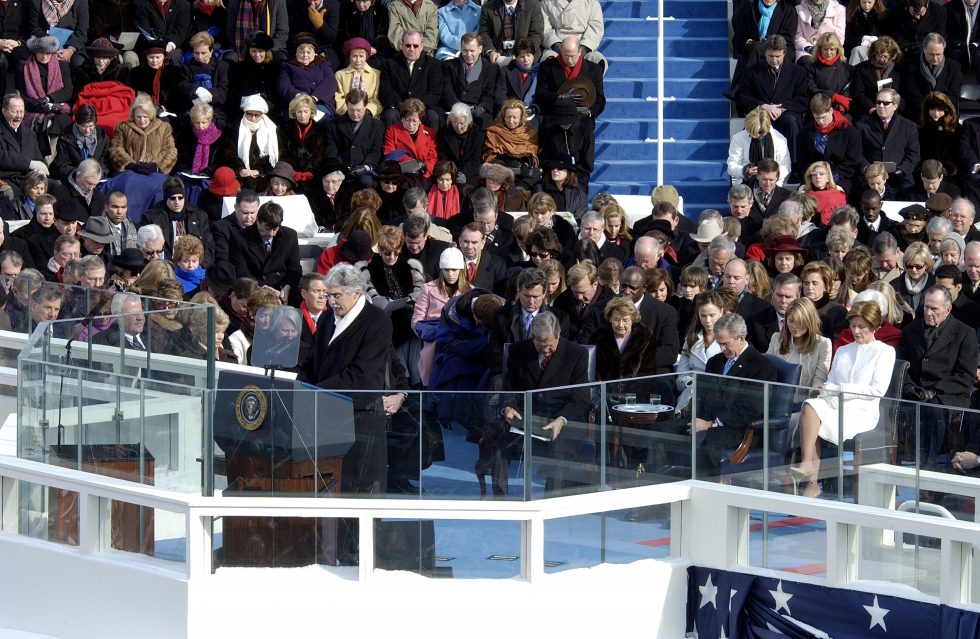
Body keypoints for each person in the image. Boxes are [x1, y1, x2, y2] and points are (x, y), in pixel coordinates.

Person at [300, 262, 392, 560]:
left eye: (336, 295)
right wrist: (300, 385)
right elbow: (314, 361)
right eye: (328, 295)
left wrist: (317, 390)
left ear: (356, 292)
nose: (330, 301)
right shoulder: (328, 319)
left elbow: (362, 376)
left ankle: (359, 557)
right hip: (326, 417)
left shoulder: (377, 322)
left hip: (361, 421)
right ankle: (328, 551)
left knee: (359, 490)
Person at [795, 300, 895, 496]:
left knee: (818, 414)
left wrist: (840, 389)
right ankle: (810, 475)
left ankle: (810, 476)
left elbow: (877, 390)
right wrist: (827, 390)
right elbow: (831, 381)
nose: (856, 331)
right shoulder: (843, 350)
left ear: (874, 326)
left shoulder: (885, 351)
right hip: (834, 403)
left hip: (862, 410)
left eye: (862, 327)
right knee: (810, 406)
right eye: (853, 326)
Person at [499, 310, 590, 494]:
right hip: (526, 416)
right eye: (540, 345)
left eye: (550, 345)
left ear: (558, 335)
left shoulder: (577, 354)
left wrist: (561, 419)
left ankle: (551, 497)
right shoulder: (518, 351)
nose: (546, 350)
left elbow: (581, 397)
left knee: (561, 445)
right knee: (496, 436)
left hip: (561, 417)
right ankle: (498, 495)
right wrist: (508, 407)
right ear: (532, 337)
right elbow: (509, 387)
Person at [899, 285, 979, 465]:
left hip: (949, 395)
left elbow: (965, 376)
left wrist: (934, 392)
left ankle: (933, 464)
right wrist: (909, 386)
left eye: (934, 308)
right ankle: (902, 461)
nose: (928, 312)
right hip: (915, 391)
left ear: (948, 309)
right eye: (926, 307)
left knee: (934, 407)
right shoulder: (911, 330)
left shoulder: (965, 334)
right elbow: (902, 365)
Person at [693, 312, 779, 476]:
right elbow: (703, 396)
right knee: (666, 431)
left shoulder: (763, 368)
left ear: (741, 338)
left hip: (737, 428)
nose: (722, 349)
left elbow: (752, 409)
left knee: (703, 442)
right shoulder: (714, 362)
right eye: (719, 344)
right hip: (704, 421)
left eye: (726, 343)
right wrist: (697, 419)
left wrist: (711, 423)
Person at [734, 36, 808, 165]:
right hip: (761, 113)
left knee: (791, 121)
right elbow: (743, 97)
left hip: (786, 113)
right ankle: (753, 165)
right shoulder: (752, 71)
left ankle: (796, 166)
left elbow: (802, 99)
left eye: (778, 56)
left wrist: (781, 108)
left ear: (784, 53)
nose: (774, 60)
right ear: (765, 53)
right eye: (770, 56)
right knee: (756, 122)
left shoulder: (798, 72)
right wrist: (763, 106)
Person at [412, 246, 470, 386]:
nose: (450, 274)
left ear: (461, 270)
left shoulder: (471, 291)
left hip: (458, 347)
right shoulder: (428, 288)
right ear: (441, 270)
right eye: (446, 270)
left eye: (454, 270)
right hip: (433, 346)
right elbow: (416, 320)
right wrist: (431, 332)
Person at [230, 201, 301, 303]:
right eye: (267, 229)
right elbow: (242, 272)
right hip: (255, 286)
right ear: (258, 221)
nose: (271, 234)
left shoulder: (290, 236)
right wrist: (264, 288)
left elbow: (295, 269)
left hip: (283, 286)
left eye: (275, 229)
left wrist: (287, 287)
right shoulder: (240, 238)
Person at [138, 177, 215, 267]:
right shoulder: (151, 218)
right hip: (165, 269)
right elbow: (146, 248)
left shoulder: (198, 216)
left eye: (180, 198)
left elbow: (209, 245)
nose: (177, 202)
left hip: (194, 268)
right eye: (172, 198)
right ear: (166, 199)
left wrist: (199, 266)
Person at [766, 297, 832, 401]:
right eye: (791, 321)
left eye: (800, 322)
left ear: (810, 321)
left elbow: (819, 380)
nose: (795, 326)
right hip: (776, 401)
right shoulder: (776, 338)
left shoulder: (823, 344)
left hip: (805, 404)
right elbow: (767, 371)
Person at [855, 88, 920, 192]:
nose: (881, 106)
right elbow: (856, 153)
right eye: (878, 102)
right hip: (871, 176)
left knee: (908, 191)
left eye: (885, 103)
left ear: (895, 106)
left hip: (899, 176)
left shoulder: (909, 126)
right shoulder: (862, 125)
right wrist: (867, 169)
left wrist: (901, 171)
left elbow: (913, 155)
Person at [379, 30, 443, 129]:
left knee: (432, 116)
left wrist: (418, 107)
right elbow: (386, 90)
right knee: (390, 115)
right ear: (402, 45)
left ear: (422, 46)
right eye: (408, 45)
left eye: (415, 46)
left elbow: (435, 92)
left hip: (423, 108)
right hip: (398, 108)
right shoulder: (390, 64)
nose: (411, 49)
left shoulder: (434, 65)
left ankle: (431, 145)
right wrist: (402, 106)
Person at [324, 89, 384, 187]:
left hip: (364, 168)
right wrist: (338, 169)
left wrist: (366, 166)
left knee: (366, 182)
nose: (355, 114)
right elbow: (331, 151)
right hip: (340, 168)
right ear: (346, 106)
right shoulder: (333, 125)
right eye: (351, 110)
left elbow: (375, 151)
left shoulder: (377, 125)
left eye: (359, 110)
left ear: (365, 106)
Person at [108, 92, 178, 175]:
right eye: (138, 117)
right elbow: (115, 149)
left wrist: (156, 166)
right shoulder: (123, 128)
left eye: (145, 117)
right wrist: (129, 164)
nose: (142, 120)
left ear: (151, 115)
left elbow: (170, 151)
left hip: (156, 174)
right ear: (133, 114)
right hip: (129, 173)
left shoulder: (163, 127)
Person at [222, 94, 279, 192]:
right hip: (239, 175)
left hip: (263, 175)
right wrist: (240, 168)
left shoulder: (272, 129)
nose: (253, 118)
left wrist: (258, 170)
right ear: (245, 112)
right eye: (250, 114)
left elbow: (274, 155)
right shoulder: (234, 128)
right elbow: (228, 152)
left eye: (257, 115)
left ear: (262, 114)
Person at [440, 32, 497, 130]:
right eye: (465, 50)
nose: (468, 54)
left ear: (480, 49)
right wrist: (459, 109)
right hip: (454, 108)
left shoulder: (490, 69)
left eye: (472, 51)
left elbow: (489, 94)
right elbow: (447, 91)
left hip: (478, 111)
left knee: (486, 122)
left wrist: (481, 108)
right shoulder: (448, 66)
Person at [901, 33, 961, 120]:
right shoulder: (911, 65)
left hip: (944, 112)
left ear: (943, 50)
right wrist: (928, 108)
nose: (935, 58)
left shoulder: (954, 67)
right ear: (924, 50)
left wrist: (938, 109)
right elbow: (911, 92)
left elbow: (954, 94)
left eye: (938, 54)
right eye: (931, 54)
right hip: (919, 113)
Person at [277, 34, 337, 119]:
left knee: (318, 118)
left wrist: (314, 98)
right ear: (296, 52)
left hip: (319, 103)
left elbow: (330, 81)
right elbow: (283, 86)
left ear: (314, 53)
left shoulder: (322, 63)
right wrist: (300, 98)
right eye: (301, 52)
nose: (305, 55)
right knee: (298, 117)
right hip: (296, 103)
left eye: (309, 52)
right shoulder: (288, 66)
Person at [727, 107, 791, 187]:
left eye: (761, 132)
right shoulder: (738, 138)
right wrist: (745, 171)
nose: (756, 136)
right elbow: (732, 166)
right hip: (746, 183)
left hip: (772, 184)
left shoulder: (780, 139)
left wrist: (771, 174)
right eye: (751, 132)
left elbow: (786, 165)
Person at [178, 32, 230, 124]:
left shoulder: (221, 67)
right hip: (192, 112)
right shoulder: (186, 68)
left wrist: (206, 95)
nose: (200, 57)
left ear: (211, 51)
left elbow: (223, 92)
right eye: (196, 53)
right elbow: (182, 86)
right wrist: (196, 90)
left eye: (203, 53)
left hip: (216, 112)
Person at [849, 35, 902, 120]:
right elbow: (858, 93)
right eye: (879, 55)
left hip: (892, 113)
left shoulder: (898, 70)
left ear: (891, 55)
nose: (881, 59)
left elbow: (902, 94)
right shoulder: (861, 68)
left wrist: (893, 109)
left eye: (885, 56)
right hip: (868, 112)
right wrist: (872, 108)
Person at [478, 0, 544, 67]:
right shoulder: (487, 8)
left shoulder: (533, 5)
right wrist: (491, 52)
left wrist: (522, 53)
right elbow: (484, 34)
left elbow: (536, 34)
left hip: (525, 55)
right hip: (498, 56)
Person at [52, 104, 108, 182]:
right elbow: (62, 165)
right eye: (84, 126)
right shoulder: (66, 137)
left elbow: (105, 162)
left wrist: (98, 174)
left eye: (91, 126)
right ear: (77, 124)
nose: (87, 130)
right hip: (74, 179)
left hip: (96, 179)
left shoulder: (102, 136)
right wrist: (80, 174)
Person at [483, 98, 538, 172]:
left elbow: (532, 155)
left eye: (515, 118)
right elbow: (489, 155)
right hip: (499, 169)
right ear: (504, 116)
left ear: (521, 118)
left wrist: (526, 164)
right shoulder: (494, 132)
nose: (511, 121)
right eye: (508, 117)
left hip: (521, 170)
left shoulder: (529, 133)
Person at [334, 37, 382, 118]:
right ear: (349, 56)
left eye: (361, 56)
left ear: (366, 57)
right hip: (347, 115)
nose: (358, 60)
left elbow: (376, 99)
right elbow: (339, 98)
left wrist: (367, 111)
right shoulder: (340, 75)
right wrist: (351, 111)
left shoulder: (376, 74)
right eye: (354, 56)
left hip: (369, 116)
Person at [889, 240, 933, 318]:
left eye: (918, 266)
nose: (913, 270)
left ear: (927, 265)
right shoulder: (894, 286)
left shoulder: (934, 284)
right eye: (909, 266)